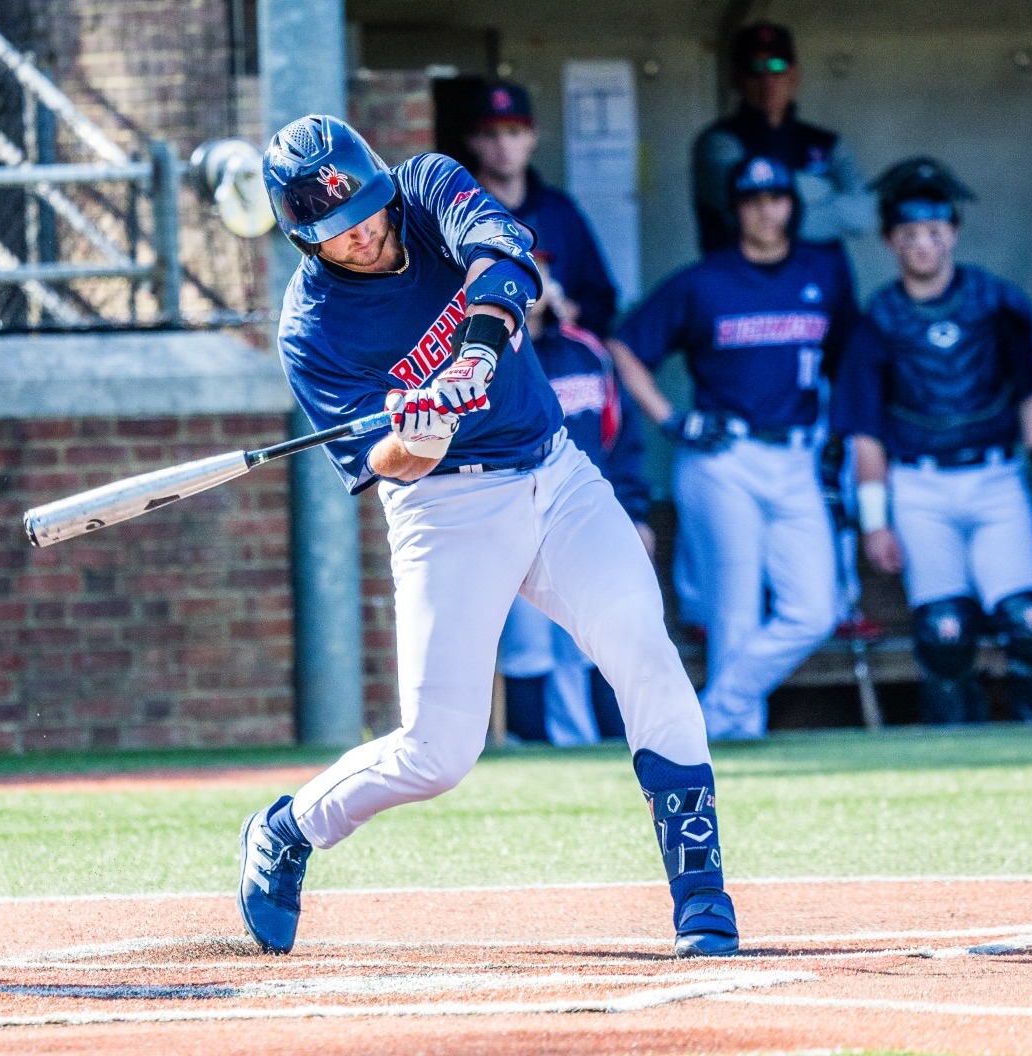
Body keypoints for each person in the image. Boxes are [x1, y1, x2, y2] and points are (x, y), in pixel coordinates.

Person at [238, 115, 738, 958]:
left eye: (365, 209)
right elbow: (383, 461)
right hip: (446, 510)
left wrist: (471, 359)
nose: (361, 233)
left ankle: (702, 900)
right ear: (303, 240)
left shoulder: (427, 188)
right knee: (438, 752)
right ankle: (287, 830)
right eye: (335, 230)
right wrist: (421, 434)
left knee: (642, 649)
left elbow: (506, 260)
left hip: (555, 471)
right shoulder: (311, 329)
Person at [608, 155, 857, 740]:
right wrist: (672, 420)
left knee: (815, 610)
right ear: (735, 210)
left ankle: (707, 717)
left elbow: (850, 360)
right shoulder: (705, 281)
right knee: (735, 609)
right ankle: (735, 736)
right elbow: (623, 346)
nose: (767, 211)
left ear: (792, 204)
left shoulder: (822, 273)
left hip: (797, 455)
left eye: (777, 198)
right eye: (753, 201)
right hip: (724, 455)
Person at [831, 157, 1032, 724]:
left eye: (934, 231)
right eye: (909, 233)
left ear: (954, 232)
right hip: (920, 483)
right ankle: (955, 749)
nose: (922, 244)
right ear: (889, 240)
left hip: (995, 475)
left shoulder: (995, 302)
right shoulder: (880, 319)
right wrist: (875, 522)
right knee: (944, 632)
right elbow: (866, 431)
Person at [497, 266, 651, 745]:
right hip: (514, 514)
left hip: (584, 511)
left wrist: (635, 510)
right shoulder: (484, 353)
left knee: (589, 636)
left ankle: (589, 743)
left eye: (540, 270)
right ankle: (532, 745)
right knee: (528, 641)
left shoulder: (586, 350)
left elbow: (619, 438)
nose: (533, 283)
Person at [691, 20, 871, 252]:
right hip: (742, 273)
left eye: (777, 66)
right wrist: (828, 192)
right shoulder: (717, 142)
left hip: (819, 272)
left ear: (794, 75)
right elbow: (751, 215)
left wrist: (775, 199)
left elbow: (862, 216)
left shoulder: (826, 142)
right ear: (736, 79)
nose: (768, 79)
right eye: (755, 68)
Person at [464, 80, 620, 338]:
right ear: (472, 141)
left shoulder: (560, 212)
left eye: (514, 131)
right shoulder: (457, 212)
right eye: (491, 134)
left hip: (552, 354)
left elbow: (602, 301)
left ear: (532, 136)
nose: (503, 144)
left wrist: (570, 310)